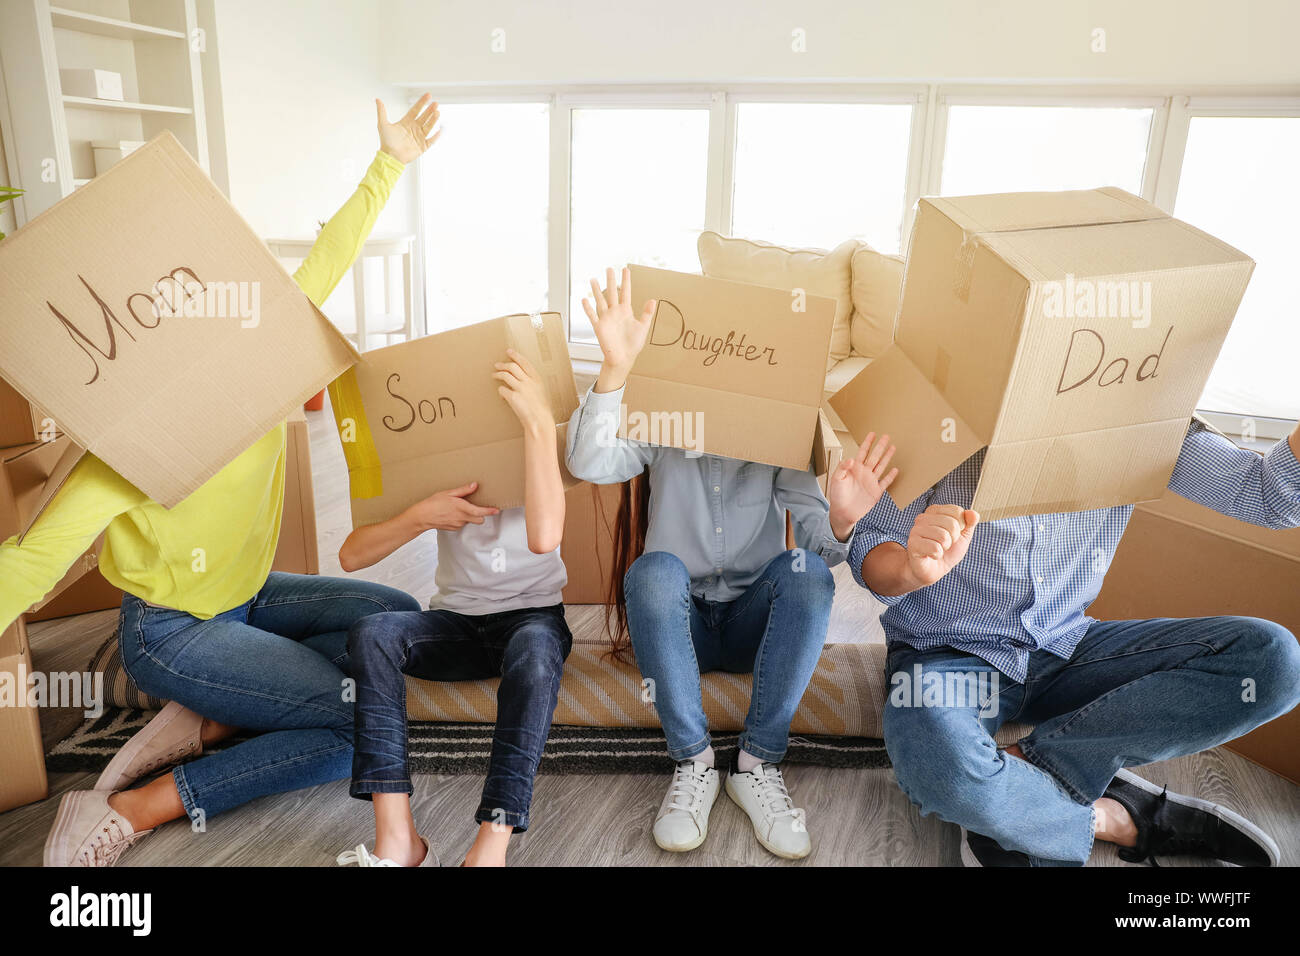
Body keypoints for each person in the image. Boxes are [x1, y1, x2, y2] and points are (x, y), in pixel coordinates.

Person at [11, 95, 443, 868]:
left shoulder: (259, 352)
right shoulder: (129, 442)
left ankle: (207, 719)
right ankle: (134, 805)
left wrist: (391, 163)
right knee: (355, 724)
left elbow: (326, 261)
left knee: (397, 618)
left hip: (250, 593)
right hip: (172, 630)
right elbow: (34, 561)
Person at [852, 419, 1300, 866]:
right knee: (939, 761)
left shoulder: (1148, 417)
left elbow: (1271, 498)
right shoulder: (943, 413)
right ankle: (1116, 817)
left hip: (1067, 645)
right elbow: (871, 549)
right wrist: (912, 569)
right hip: (946, 654)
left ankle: (1023, 785)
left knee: (1274, 662)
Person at [565, 267, 898, 859]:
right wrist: (615, 370)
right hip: (676, 624)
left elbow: (821, 543)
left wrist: (846, 521)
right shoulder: (661, 419)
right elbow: (590, 462)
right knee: (653, 569)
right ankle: (693, 763)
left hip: (753, 628)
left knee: (805, 571)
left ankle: (756, 765)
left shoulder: (780, 430)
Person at [334, 350, 571, 868]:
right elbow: (352, 555)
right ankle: (398, 841)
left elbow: (544, 536)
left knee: (533, 651)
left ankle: (490, 846)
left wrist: (536, 422)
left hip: (533, 618)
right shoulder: (433, 456)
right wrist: (421, 516)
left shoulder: (543, 443)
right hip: (457, 623)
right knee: (372, 632)